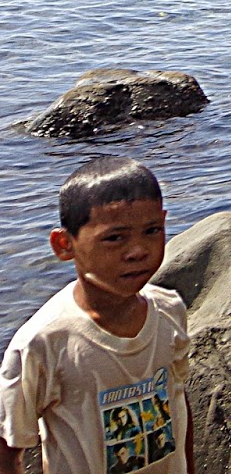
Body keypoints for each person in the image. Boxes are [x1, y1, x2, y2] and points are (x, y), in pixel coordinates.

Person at [1, 157, 192, 474]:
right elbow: (8, 447)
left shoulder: (169, 309)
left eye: (152, 230)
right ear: (65, 245)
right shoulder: (44, 343)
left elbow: (177, 401)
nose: (138, 251)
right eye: (115, 237)